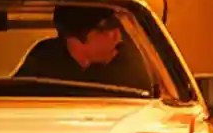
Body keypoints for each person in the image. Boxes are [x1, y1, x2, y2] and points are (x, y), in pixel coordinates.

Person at [13, 5, 149, 91]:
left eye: (119, 30)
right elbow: (15, 100)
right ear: (76, 38)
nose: (118, 38)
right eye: (108, 31)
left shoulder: (132, 64)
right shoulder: (43, 61)